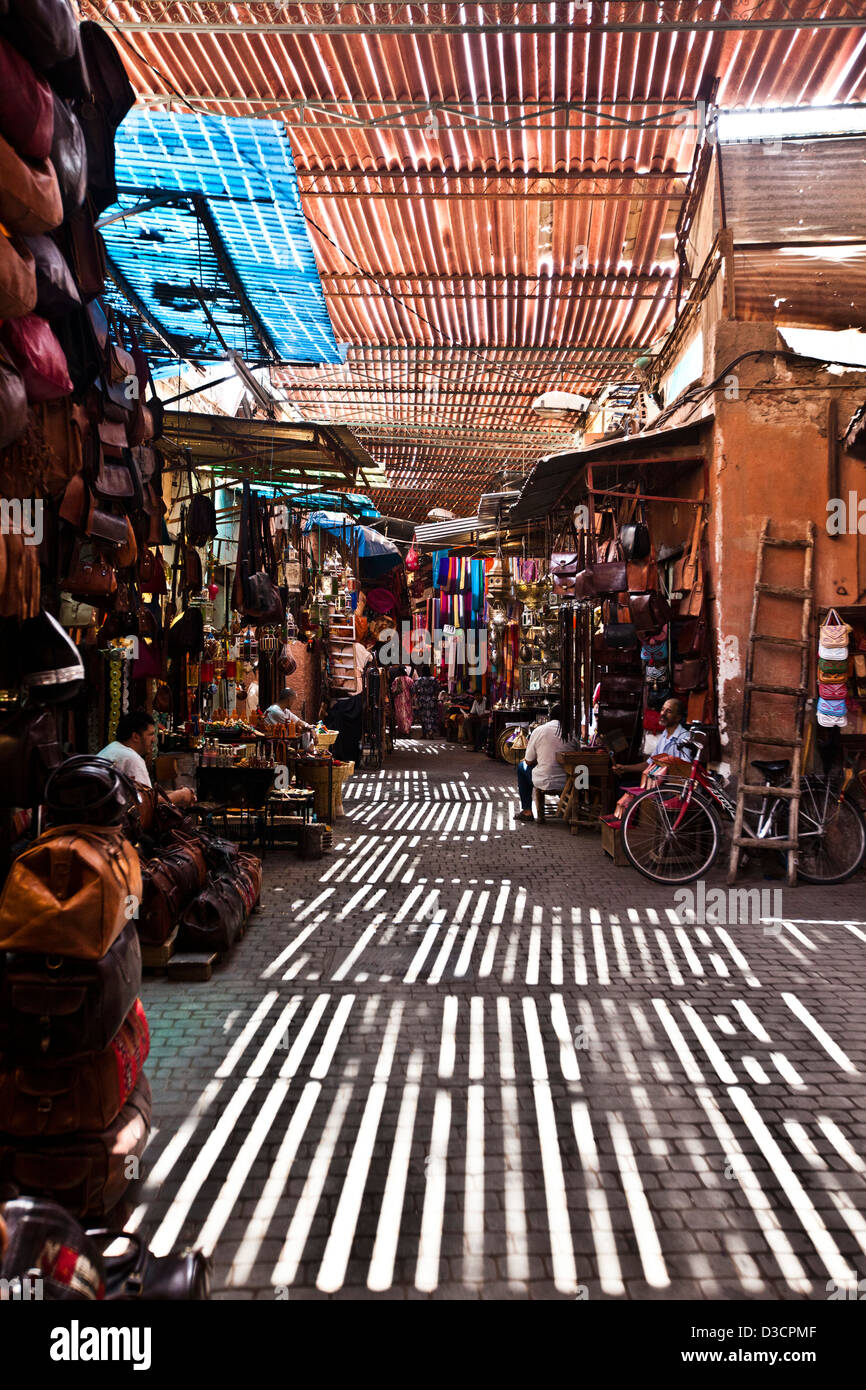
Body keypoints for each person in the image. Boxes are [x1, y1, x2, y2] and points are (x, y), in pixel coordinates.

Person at [610, 696, 690, 818]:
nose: (663, 714)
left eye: (668, 711)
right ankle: (627, 829)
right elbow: (650, 764)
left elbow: (686, 772)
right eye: (662, 710)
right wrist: (625, 768)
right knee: (622, 787)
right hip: (659, 785)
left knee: (633, 794)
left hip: (672, 789)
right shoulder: (664, 735)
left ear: (678, 717)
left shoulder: (684, 738)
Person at [98, 713, 195, 807]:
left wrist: (176, 793)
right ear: (135, 736)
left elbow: (147, 794)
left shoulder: (113, 749)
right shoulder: (131, 757)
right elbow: (148, 803)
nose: (153, 740)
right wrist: (181, 795)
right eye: (150, 734)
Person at [514, 703, 577, 822]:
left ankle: (527, 810)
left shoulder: (539, 730)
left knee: (521, 767)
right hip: (568, 782)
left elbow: (528, 761)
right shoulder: (572, 733)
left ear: (550, 716)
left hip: (544, 780)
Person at [413, 665, 440, 738]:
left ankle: (424, 734)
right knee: (431, 716)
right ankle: (430, 733)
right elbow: (437, 688)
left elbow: (414, 689)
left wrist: (418, 695)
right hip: (431, 700)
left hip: (422, 700)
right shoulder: (434, 679)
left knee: (423, 717)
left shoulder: (419, 680)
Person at [391, 666, 415, 737]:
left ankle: (401, 731)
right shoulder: (409, 679)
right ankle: (407, 730)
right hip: (407, 699)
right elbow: (413, 689)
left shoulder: (396, 679)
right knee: (408, 714)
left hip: (398, 700)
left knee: (400, 715)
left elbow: (393, 689)